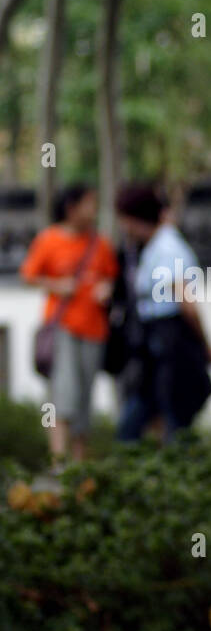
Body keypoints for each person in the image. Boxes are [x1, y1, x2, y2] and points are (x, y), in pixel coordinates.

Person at [114, 184, 211, 442]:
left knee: (167, 413)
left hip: (170, 341)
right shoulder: (152, 247)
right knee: (151, 411)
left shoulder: (168, 247)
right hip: (156, 342)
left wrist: (205, 344)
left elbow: (186, 302)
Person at [18, 184, 118, 463]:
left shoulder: (100, 243)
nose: (94, 210)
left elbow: (112, 276)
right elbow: (28, 276)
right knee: (63, 394)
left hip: (95, 330)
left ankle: (79, 463)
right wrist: (56, 285)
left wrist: (106, 289)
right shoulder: (49, 240)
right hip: (63, 328)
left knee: (85, 397)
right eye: (89, 203)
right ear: (71, 208)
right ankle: (58, 462)